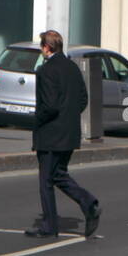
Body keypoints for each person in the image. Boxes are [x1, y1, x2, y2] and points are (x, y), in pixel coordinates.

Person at [25, 30, 101, 239]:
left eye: (42, 46)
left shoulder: (46, 70)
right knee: (59, 175)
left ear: (47, 47)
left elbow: (49, 106)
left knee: (46, 182)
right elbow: (83, 99)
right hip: (69, 133)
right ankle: (88, 204)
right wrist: (68, 118)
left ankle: (50, 225)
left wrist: (36, 120)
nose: (41, 50)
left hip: (50, 134)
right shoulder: (72, 68)